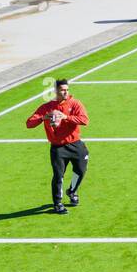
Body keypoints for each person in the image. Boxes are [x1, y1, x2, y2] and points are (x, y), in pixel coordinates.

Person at [26, 79, 90, 215]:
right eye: (62, 90)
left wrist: (66, 117)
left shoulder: (75, 103)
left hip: (75, 144)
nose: (65, 92)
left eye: (67, 89)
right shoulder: (46, 107)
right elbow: (29, 123)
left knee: (81, 171)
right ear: (56, 91)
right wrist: (44, 118)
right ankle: (58, 204)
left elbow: (85, 120)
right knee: (58, 176)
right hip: (58, 148)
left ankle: (72, 191)